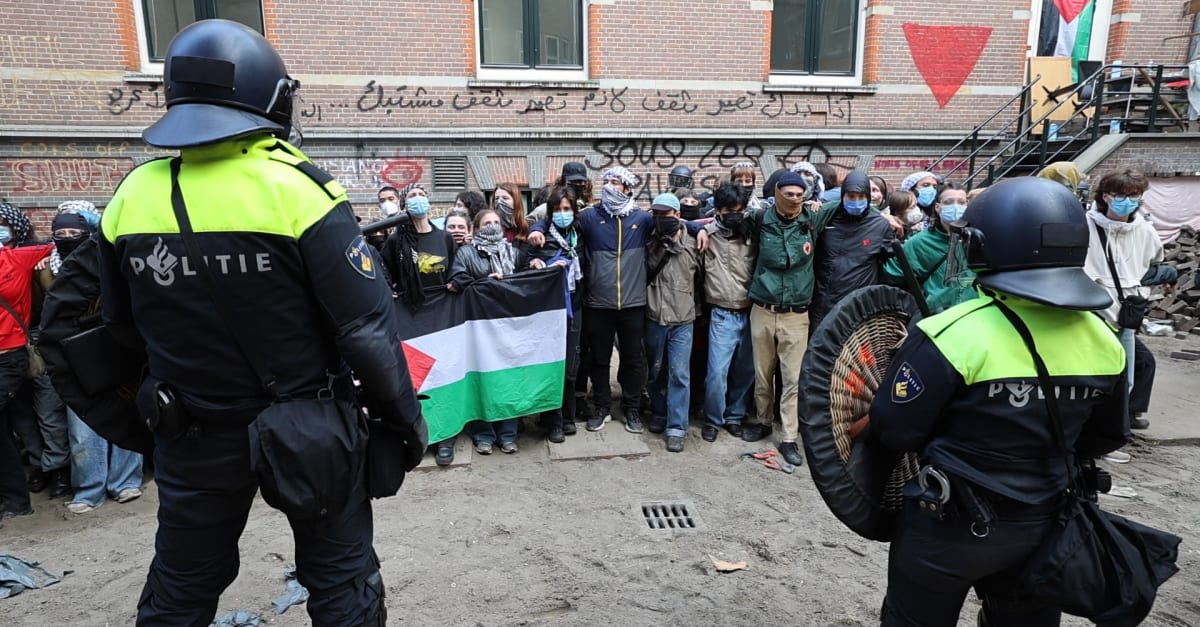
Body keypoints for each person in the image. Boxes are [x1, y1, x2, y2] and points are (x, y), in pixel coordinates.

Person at [96, 20, 427, 625]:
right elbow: (366, 332)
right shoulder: (299, 190)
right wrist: (404, 421)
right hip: (310, 426)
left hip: (190, 429)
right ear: (272, 97)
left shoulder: (130, 195)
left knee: (179, 588)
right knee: (342, 581)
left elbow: (114, 324)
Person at [867, 176, 1128, 627]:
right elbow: (1107, 434)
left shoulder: (952, 335)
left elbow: (894, 430)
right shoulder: (1105, 339)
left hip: (947, 529)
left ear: (981, 247)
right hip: (1049, 523)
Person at [526, 166, 708, 435]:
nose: (610, 186)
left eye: (617, 182)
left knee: (634, 359)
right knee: (600, 360)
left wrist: (695, 227)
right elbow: (558, 218)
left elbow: (671, 220)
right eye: (607, 181)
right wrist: (539, 228)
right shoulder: (589, 217)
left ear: (628, 188)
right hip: (598, 303)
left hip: (634, 303)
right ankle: (601, 407)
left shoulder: (642, 219)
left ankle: (632, 407)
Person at [44, 210, 145, 514]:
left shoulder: (123, 254)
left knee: (129, 413)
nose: (67, 240)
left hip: (123, 344)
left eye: (74, 233)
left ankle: (126, 481)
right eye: (60, 234)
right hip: (78, 351)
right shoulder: (44, 267)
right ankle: (89, 489)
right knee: (83, 423)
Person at [743, 172, 838, 465]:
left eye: (800, 194)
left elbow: (851, 199)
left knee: (792, 380)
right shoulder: (759, 218)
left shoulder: (812, 217)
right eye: (789, 194)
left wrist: (887, 217)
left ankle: (788, 438)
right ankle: (762, 421)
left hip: (797, 314)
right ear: (778, 192)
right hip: (763, 308)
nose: (795, 199)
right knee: (762, 374)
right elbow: (724, 223)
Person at [1083, 169, 1166, 439]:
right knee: (1092, 376)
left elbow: (1153, 262)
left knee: (1126, 378)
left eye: (1135, 196)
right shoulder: (1086, 226)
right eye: (1122, 195)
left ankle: (1108, 436)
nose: (1129, 201)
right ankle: (1087, 434)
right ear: (1106, 196)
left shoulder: (1145, 230)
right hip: (1092, 314)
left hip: (1126, 316)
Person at [449, 209, 527, 454]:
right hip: (478, 328)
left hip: (508, 327)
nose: (491, 226)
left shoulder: (514, 253)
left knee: (508, 379)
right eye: (486, 223)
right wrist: (485, 281)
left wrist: (538, 264)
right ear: (475, 228)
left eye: (495, 222)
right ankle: (483, 433)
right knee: (481, 380)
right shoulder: (466, 253)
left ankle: (507, 433)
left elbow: (528, 281)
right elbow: (458, 278)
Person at [0, 203, 54, 522]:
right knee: (6, 428)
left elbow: (63, 242)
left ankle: (19, 497)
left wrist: (48, 257)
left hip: (10, 357)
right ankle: (16, 499)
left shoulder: (18, 258)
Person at [526, 187, 585, 443]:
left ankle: (568, 417)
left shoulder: (580, 234)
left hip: (576, 307)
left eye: (567, 209)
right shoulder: (539, 238)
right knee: (552, 365)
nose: (563, 214)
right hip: (549, 312)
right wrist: (540, 265)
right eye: (558, 210)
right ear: (550, 211)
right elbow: (525, 264)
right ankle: (554, 422)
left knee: (571, 366)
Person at [701, 183, 757, 442]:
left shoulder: (753, 233)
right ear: (718, 210)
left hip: (751, 312)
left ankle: (734, 416)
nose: (734, 214)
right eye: (728, 210)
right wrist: (699, 228)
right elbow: (683, 222)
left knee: (745, 371)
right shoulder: (708, 235)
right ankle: (713, 418)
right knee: (716, 372)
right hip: (721, 314)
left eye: (738, 210)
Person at [644, 194, 700, 452]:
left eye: (665, 214)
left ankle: (677, 426)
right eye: (656, 214)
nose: (660, 219)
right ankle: (658, 410)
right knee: (654, 371)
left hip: (682, 319)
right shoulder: (648, 240)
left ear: (677, 215)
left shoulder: (694, 242)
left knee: (679, 373)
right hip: (654, 315)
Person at [809, 171, 897, 333]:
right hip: (823, 302)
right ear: (843, 196)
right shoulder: (826, 217)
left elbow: (890, 262)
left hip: (859, 304)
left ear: (868, 197)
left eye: (861, 197)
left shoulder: (880, 226)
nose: (856, 201)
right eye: (851, 196)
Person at [881, 182, 977, 312]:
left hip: (974, 313)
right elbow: (892, 275)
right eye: (948, 202)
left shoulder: (977, 239)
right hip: (937, 316)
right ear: (938, 207)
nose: (955, 206)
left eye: (961, 202)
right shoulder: (919, 242)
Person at [381, 195, 457, 309]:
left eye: (421, 194)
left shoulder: (445, 238)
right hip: (409, 310)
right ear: (405, 205)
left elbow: (456, 268)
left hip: (442, 307)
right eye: (412, 195)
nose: (417, 198)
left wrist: (457, 282)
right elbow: (383, 271)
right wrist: (386, 290)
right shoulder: (396, 240)